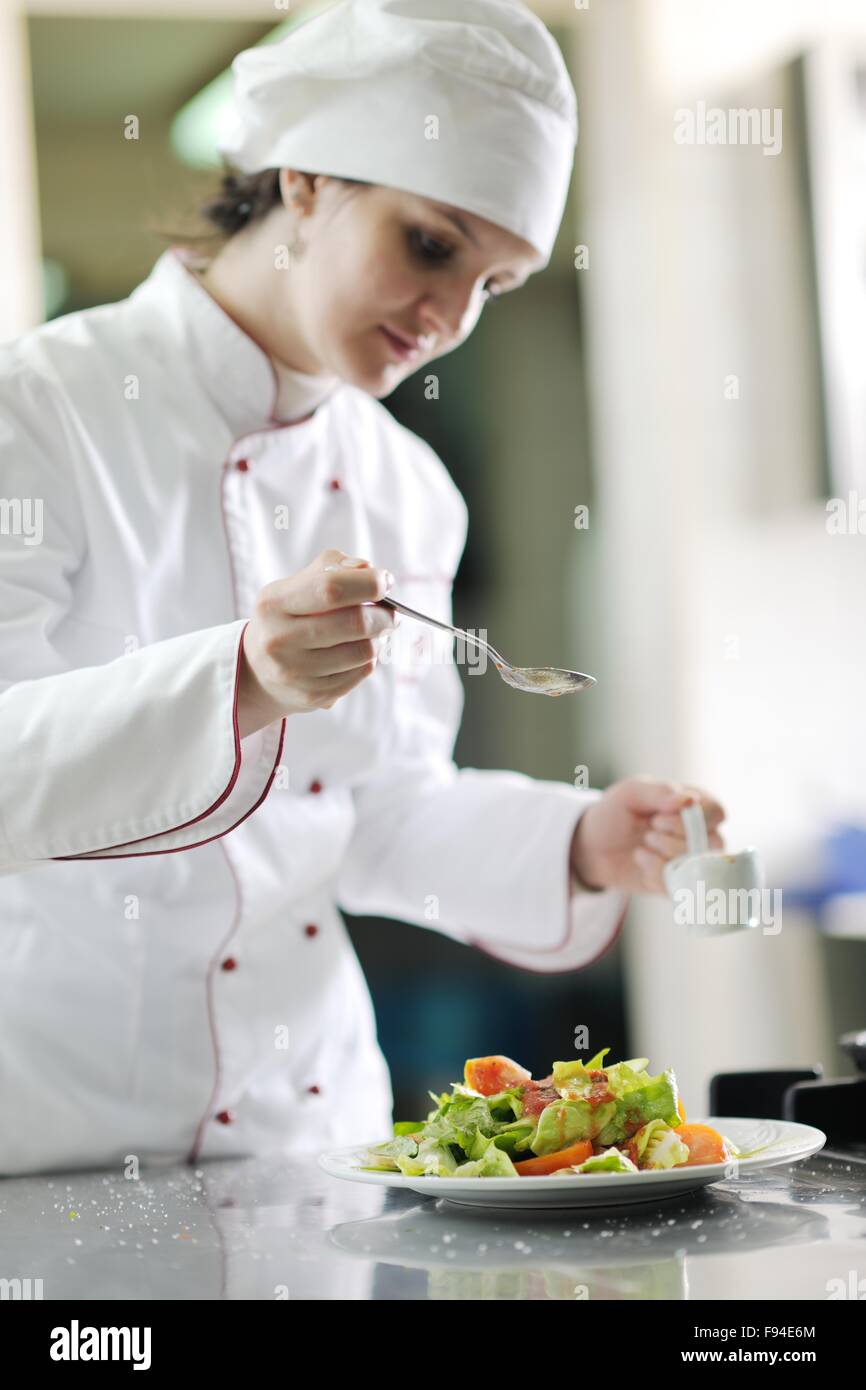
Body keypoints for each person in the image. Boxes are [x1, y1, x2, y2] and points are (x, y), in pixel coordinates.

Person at [0, 0, 724, 1177]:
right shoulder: (40, 409)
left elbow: (375, 811)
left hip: (309, 1142)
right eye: (431, 245)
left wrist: (578, 842)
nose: (446, 321)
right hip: (52, 1145)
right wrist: (238, 677)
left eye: (492, 284)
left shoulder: (408, 489)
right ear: (304, 181)